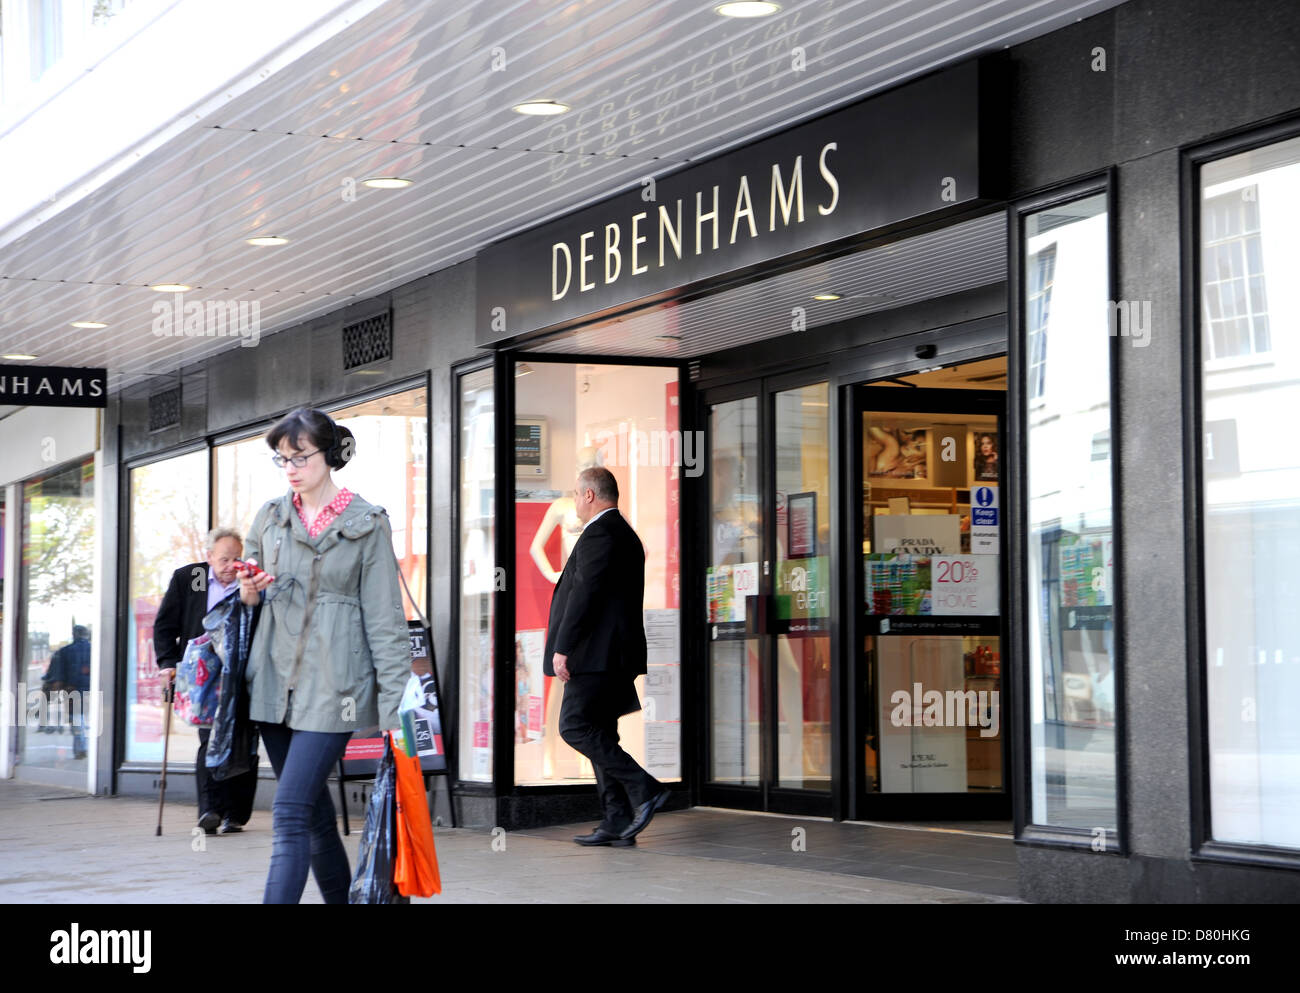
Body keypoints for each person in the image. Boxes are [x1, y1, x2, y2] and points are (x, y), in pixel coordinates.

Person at [237, 407, 411, 904]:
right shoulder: (270, 518)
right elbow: (248, 597)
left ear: (330, 455)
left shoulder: (367, 523)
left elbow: (385, 619)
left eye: (300, 457)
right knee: (312, 817)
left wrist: (397, 708)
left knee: (289, 811)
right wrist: (250, 589)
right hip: (272, 686)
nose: (290, 468)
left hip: (335, 691)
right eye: (281, 459)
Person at [545, 466, 669, 847]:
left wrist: (563, 648)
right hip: (612, 656)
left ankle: (644, 789)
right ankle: (615, 819)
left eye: (576, 492)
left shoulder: (600, 533)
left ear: (589, 495)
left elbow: (585, 595)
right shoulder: (623, 533)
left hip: (596, 656)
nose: (574, 500)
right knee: (600, 732)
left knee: (574, 727)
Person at [154, 527, 259, 834]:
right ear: (209, 557)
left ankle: (235, 814)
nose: (230, 565)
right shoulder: (192, 579)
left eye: (236, 558)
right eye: (224, 559)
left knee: (242, 738)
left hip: (242, 673)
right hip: (202, 676)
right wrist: (167, 665)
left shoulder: (249, 581)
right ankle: (210, 809)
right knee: (208, 738)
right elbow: (164, 626)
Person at [46, 626, 91, 758]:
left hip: (72, 689)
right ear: (86, 635)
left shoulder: (65, 651)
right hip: (91, 689)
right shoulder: (95, 650)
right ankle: (82, 746)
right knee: (84, 718)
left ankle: (81, 747)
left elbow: (57, 673)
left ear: (74, 635)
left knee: (77, 717)